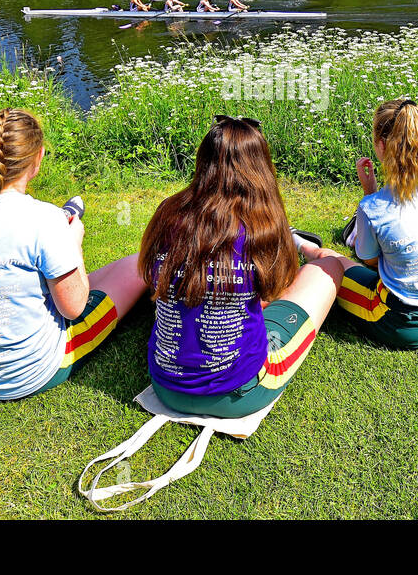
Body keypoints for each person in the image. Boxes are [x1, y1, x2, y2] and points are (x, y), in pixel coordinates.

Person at [0, 108, 149, 399]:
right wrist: (73, 243)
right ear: (38, 158)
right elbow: (74, 308)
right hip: (27, 372)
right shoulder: (44, 218)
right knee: (137, 267)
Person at [142, 116, 339, 417]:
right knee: (330, 268)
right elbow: (274, 290)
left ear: (203, 161)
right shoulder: (263, 228)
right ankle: (307, 246)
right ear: (260, 168)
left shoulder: (168, 211)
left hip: (166, 386)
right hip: (239, 392)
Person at [297, 99, 418, 349]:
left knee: (329, 261)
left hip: (400, 323)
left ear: (381, 146)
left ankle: (297, 241)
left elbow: (369, 260)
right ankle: (301, 243)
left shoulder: (374, 208)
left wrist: (369, 195)